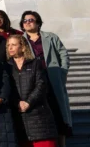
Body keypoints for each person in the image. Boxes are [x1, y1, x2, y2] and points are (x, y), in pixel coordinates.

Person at [20, 11, 72, 139]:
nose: (27, 23)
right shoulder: (21, 40)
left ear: (38, 22)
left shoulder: (50, 37)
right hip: (34, 79)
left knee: (58, 112)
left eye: (31, 20)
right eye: (25, 21)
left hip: (52, 76)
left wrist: (62, 71)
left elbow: (63, 54)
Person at [7, 34, 58, 147]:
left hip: (38, 115)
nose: (10, 48)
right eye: (8, 45)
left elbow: (41, 84)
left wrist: (29, 102)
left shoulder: (35, 63)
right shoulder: (6, 67)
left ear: (23, 47)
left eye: (14, 45)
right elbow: (6, 89)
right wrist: (17, 102)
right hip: (18, 117)